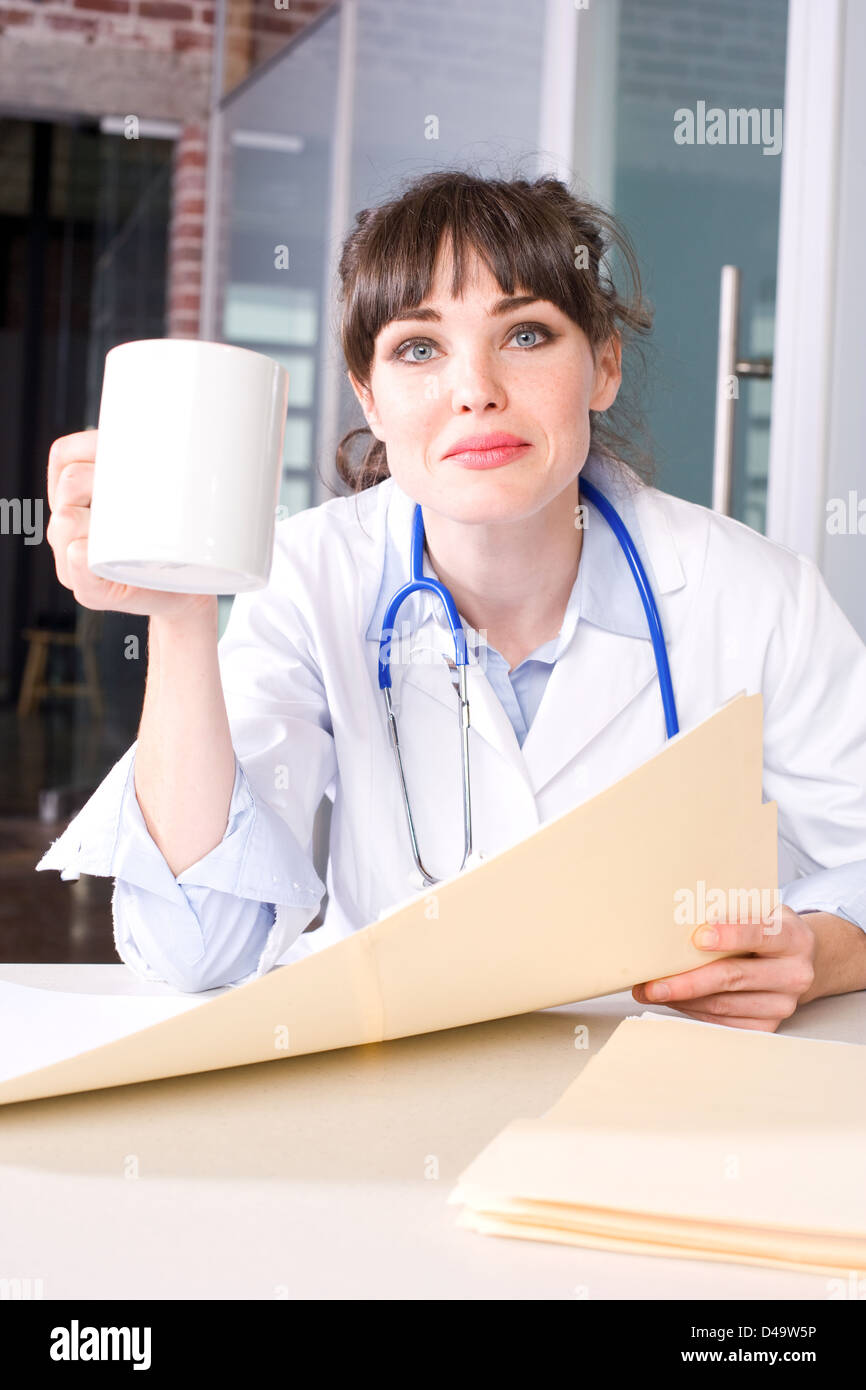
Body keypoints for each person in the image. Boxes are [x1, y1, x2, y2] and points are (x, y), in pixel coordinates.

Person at [38, 169, 866, 1029]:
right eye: (419, 349)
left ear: (604, 365)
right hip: (394, 1074)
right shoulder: (309, 577)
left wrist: (819, 954)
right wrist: (179, 615)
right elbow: (199, 946)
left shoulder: (758, 594)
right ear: (369, 396)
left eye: (527, 335)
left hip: (668, 1077)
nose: (477, 389)